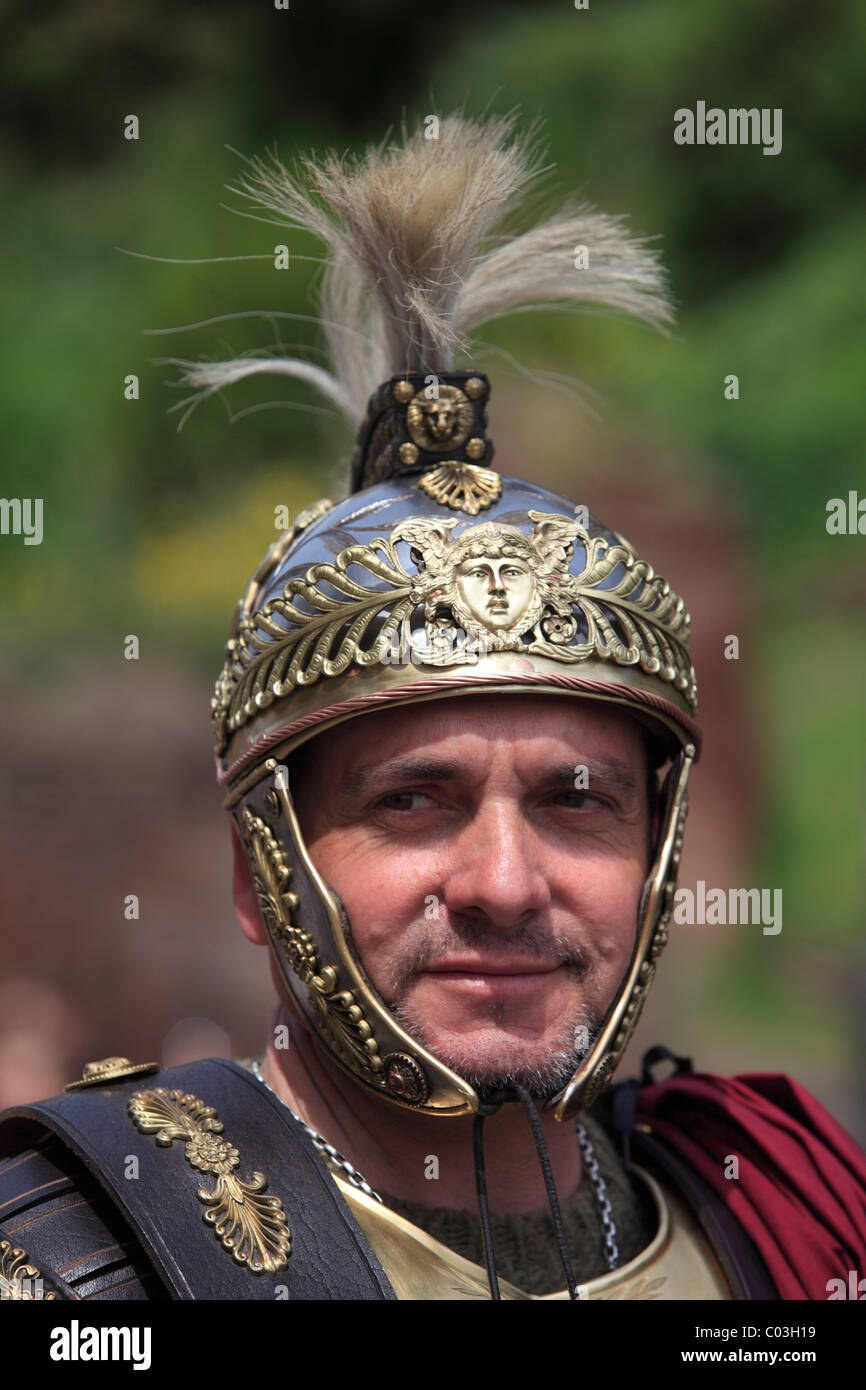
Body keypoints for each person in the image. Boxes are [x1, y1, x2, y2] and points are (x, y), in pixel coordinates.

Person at [1, 114, 864, 1303]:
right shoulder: (77, 1273)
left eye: (577, 801)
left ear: (655, 853)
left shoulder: (789, 1232)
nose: (505, 883)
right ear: (264, 874)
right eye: (412, 802)